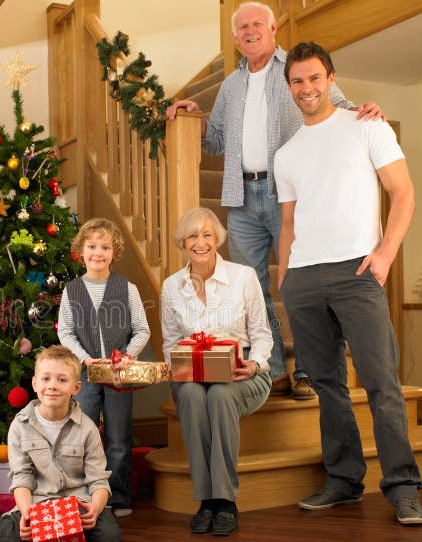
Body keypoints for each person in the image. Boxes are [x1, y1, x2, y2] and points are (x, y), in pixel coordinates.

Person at [165, 1, 385, 400]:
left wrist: (366, 111)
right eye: (242, 28)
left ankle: (305, 370)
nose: (249, 32)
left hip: (291, 195)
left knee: (297, 283)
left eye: (256, 25)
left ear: (272, 29)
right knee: (254, 288)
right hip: (241, 197)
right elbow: (216, 142)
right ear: (235, 38)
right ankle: (276, 368)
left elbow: (339, 109)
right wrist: (197, 116)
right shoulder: (230, 85)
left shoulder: (295, 72)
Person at [274, 42, 422, 525]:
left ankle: (403, 487)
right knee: (326, 385)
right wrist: (285, 276)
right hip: (304, 278)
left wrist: (384, 256)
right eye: (297, 80)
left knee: (382, 383)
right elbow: (289, 223)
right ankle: (343, 481)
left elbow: (403, 193)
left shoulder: (367, 126)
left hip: (358, 273)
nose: (307, 88)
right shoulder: (287, 154)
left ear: (331, 78)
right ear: (289, 87)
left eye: (315, 78)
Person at [160, 207, 273, 536]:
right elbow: (170, 342)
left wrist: (256, 364)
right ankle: (205, 500)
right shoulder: (171, 287)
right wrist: (179, 369)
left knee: (221, 395)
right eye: (193, 235)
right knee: (194, 397)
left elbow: (263, 335)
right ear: (182, 242)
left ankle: (224, 501)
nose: (200, 242)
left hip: (243, 372)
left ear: (218, 240)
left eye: (207, 234)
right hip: (191, 375)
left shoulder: (243, 277)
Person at [0, 345, 122, 542]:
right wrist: (27, 514)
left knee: (107, 540)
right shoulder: (20, 426)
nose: (52, 386)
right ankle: (3, 530)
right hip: (38, 503)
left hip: (77, 503)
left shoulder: (87, 428)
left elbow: (98, 479)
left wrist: (95, 507)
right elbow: (21, 478)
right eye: (46, 379)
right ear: (34, 383)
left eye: (62, 380)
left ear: (76, 387)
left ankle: (60, 540)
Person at [57, 218, 151, 518]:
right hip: (85, 373)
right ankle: (86, 493)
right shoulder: (72, 291)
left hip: (119, 374)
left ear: (114, 252)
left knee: (119, 436)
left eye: (105, 247)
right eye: (92, 246)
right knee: (84, 434)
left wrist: (128, 355)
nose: (98, 253)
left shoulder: (127, 288)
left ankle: (119, 496)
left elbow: (142, 330)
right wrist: (84, 358)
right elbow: (66, 333)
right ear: (81, 251)